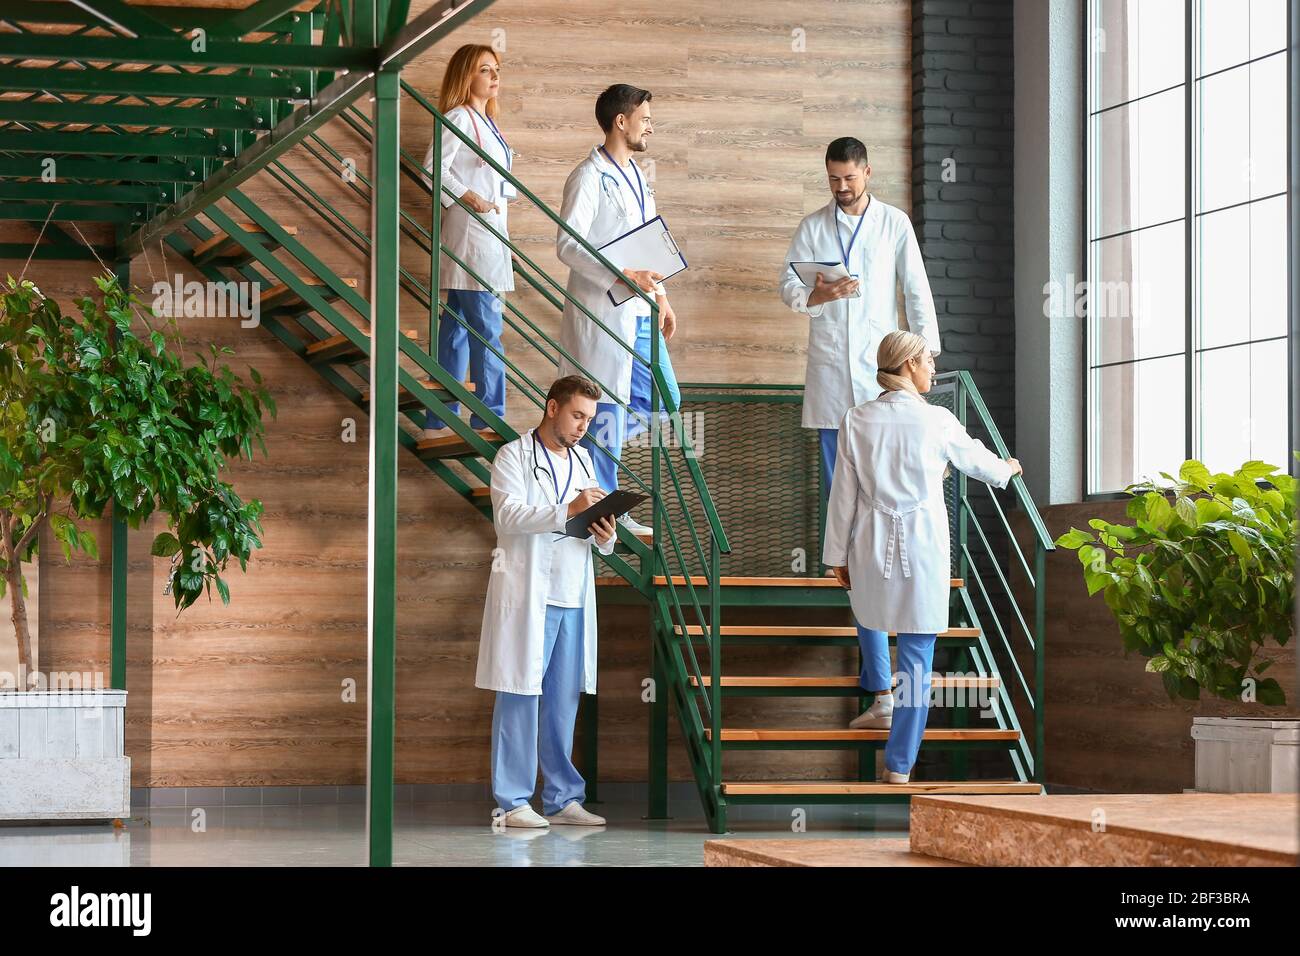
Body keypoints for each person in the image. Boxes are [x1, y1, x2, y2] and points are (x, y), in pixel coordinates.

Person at [822, 331, 1021, 783]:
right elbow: (984, 466)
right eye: (929, 360)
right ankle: (899, 767)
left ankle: (879, 695)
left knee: (869, 616)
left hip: (868, 541)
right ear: (909, 364)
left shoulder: (856, 419)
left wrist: (837, 554)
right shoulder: (939, 421)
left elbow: (843, 496)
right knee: (917, 658)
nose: (933, 367)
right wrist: (1007, 468)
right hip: (923, 545)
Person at [476, 375, 618, 827]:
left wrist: (605, 534)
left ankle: (562, 798)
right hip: (528, 594)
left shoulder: (583, 460)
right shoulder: (512, 456)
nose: (583, 427)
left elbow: (590, 518)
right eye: (577, 415)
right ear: (553, 407)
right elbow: (508, 515)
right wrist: (570, 510)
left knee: (562, 699)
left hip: (571, 592)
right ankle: (513, 801)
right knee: (520, 692)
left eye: (589, 419)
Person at [555, 83, 684, 537]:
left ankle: (586, 469)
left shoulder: (637, 176)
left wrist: (662, 295)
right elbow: (567, 244)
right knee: (606, 406)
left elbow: (651, 240)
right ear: (620, 121)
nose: (650, 124)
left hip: (642, 307)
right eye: (644, 117)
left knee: (664, 398)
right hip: (604, 307)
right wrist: (622, 274)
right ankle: (608, 506)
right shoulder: (587, 177)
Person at [779, 136, 940, 494]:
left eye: (849, 178)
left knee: (883, 471)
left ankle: (878, 548)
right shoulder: (813, 226)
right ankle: (841, 553)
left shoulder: (894, 223)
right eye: (834, 179)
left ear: (867, 172)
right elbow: (787, 284)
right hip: (831, 369)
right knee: (838, 482)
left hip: (880, 365)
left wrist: (924, 351)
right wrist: (814, 295)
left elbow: (916, 288)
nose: (842, 187)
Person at [423, 44, 517, 440]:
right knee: (487, 330)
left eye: (496, 69)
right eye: (484, 70)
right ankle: (488, 418)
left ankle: (438, 420)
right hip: (473, 235)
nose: (494, 76)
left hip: (489, 235)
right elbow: (432, 169)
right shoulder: (458, 117)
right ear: (467, 76)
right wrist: (467, 195)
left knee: (457, 330)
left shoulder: (489, 122)